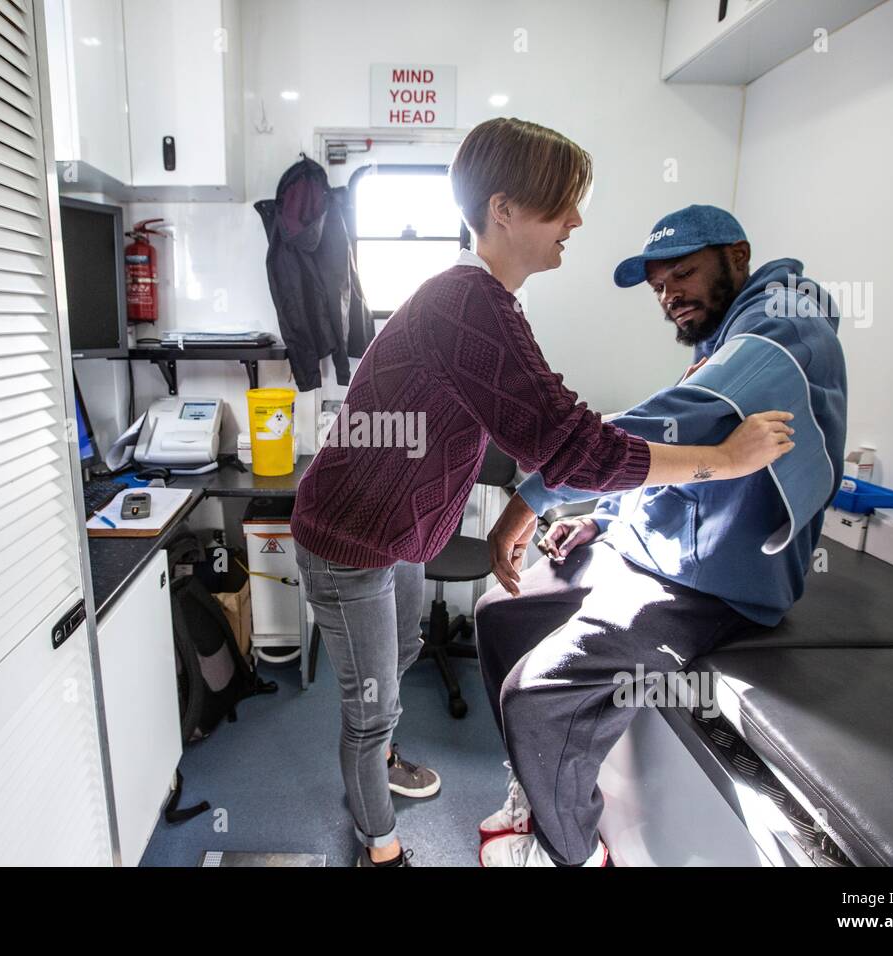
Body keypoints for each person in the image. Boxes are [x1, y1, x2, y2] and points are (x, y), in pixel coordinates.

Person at [289, 125, 796, 867]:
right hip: (348, 539)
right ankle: (381, 847)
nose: (577, 223)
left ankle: (380, 761)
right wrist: (721, 457)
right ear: (505, 209)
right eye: (563, 207)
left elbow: (554, 433)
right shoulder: (469, 306)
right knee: (369, 708)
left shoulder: (482, 302)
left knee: (400, 658)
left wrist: (527, 509)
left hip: (394, 535)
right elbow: (576, 445)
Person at [475, 204, 848, 868]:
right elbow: (683, 468)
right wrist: (603, 519)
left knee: (536, 696)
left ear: (738, 255)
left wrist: (536, 493)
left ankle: (572, 852)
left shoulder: (785, 327)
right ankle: (538, 787)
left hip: (711, 584)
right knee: (499, 612)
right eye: (660, 287)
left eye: (684, 273)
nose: (671, 295)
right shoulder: (726, 336)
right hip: (650, 550)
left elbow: (674, 424)